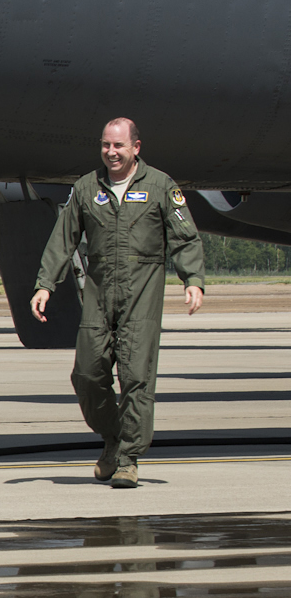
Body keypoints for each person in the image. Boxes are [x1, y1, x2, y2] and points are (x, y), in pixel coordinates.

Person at [30, 117, 205, 489]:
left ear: (135, 148)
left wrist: (192, 280)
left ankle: (127, 459)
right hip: (98, 295)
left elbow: (185, 237)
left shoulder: (160, 186)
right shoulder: (86, 187)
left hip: (141, 294)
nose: (111, 152)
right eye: (106, 145)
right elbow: (63, 238)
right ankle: (113, 438)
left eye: (119, 146)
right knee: (87, 375)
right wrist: (45, 284)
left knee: (136, 378)